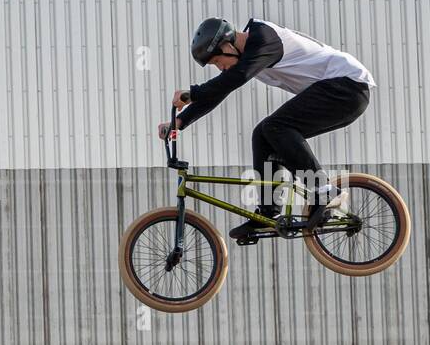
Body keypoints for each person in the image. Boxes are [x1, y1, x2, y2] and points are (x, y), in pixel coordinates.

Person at [159, 17, 375, 237]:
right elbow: (222, 89)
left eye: (217, 61)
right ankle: (268, 213)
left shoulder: (263, 39)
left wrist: (192, 93)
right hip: (338, 93)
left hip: (348, 86)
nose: (219, 67)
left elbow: (236, 78)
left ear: (227, 45)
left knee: (276, 126)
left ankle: (324, 190)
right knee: (263, 135)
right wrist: (180, 121)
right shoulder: (248, 54)